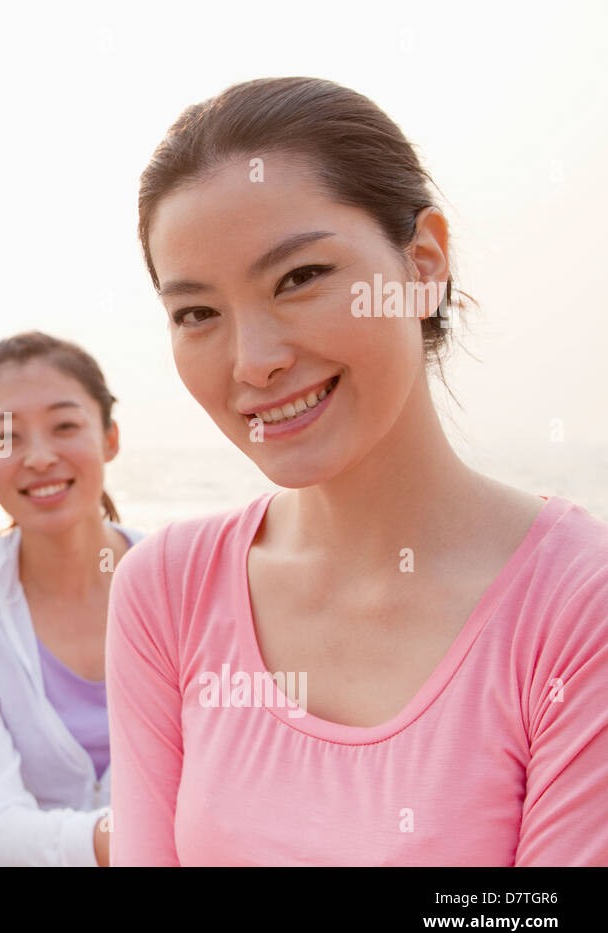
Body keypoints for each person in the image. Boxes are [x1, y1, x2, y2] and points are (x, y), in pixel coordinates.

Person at [107, 76, 608, 866]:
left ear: (424, 263)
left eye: (300, 278)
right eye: (197, 313)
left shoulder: (579, 605)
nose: (255, 363)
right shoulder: (163, 590)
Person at [0, 332, 141, 866]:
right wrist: (146, 840)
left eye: (65, 426)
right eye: (6, 438)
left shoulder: (179, 580)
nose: (39, 457)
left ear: (109, 437)